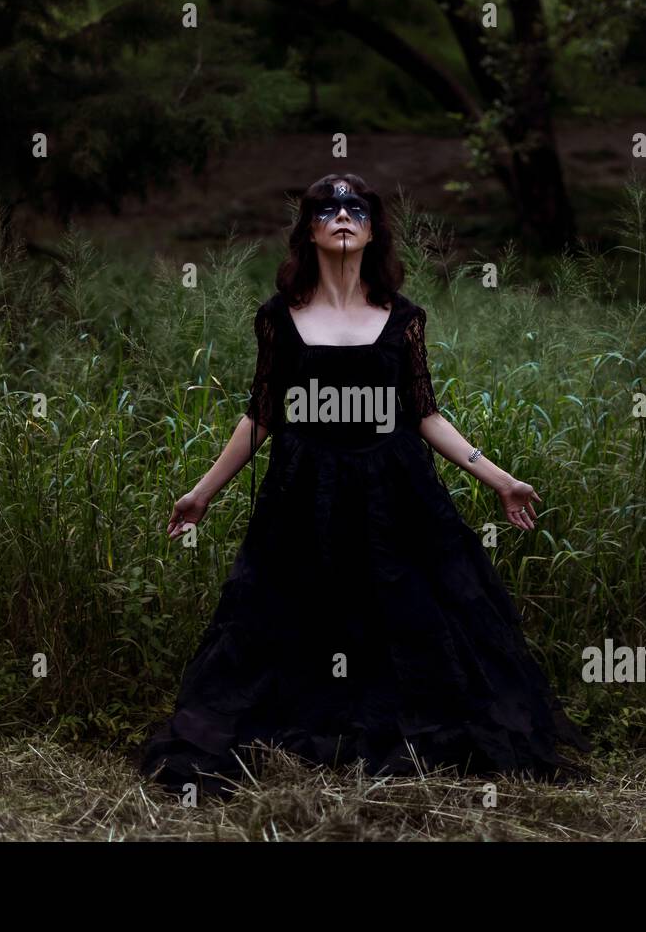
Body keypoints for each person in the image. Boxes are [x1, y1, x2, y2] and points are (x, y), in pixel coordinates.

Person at [139, 173, 593, 800]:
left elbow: (425, 413)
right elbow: (262, 415)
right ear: (310, 230)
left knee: (409, 608)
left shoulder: (402, 318)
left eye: (355, 208)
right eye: (327, 208)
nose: (342, 215)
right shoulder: (279, 318)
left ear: (373, 230)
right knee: (292, 608)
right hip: (305, 490)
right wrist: (201, 493)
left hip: (394, 488)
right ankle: (303, 728)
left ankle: (411, 733)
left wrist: (500, 480)